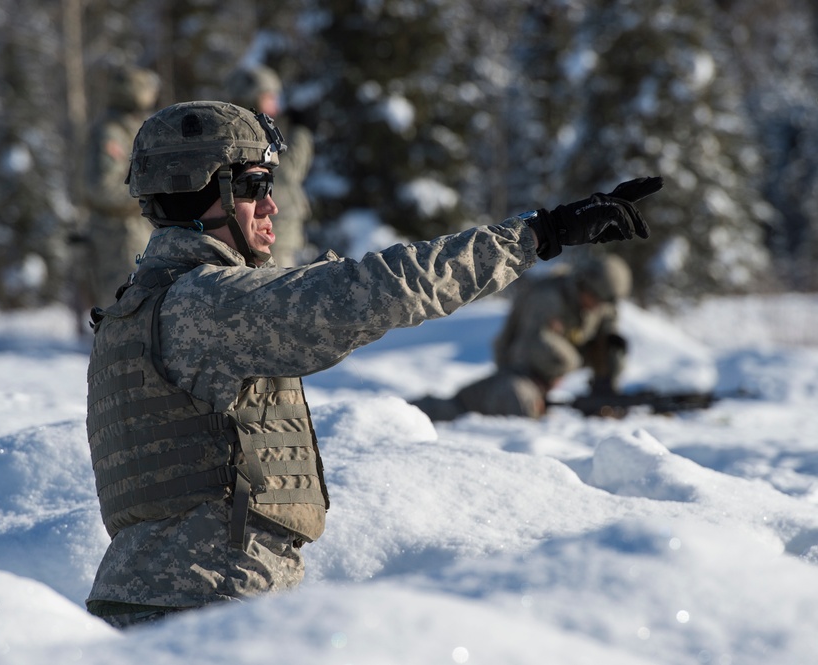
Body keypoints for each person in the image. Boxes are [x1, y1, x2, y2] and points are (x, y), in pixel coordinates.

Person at [83, 100, 661, 628]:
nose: (272, 205)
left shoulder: (138, 308)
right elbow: (382, 288)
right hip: (208, 604)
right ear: (196, 190)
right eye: (255, 185)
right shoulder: (207, 304)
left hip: (155, 601)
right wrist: (541, 234)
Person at [411, 254, 633, 419]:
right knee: (465, 407)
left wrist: (608, 377)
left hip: (547, 384)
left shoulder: (601, 303)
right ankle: (403, 413)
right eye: (596, 299)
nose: (597, 307)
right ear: (585, 285)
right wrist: (577, 360)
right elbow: (534, 347)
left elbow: (608, 331)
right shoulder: (547, 298)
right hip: (518, 375)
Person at [82, 64, 161, 305]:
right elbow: (103, 187)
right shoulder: (112, 132)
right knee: (125, 305)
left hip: (135, 232)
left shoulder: (130, 126)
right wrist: (154, 194)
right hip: (119, 237)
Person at [223, 64, 313, 267]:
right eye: (269, 98)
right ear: (251, 98)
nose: (276, 108)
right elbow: (288, 170)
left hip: (274, 232)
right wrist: (302, 134)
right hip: (267, 235)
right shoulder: (248, 138)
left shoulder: (252, 133)